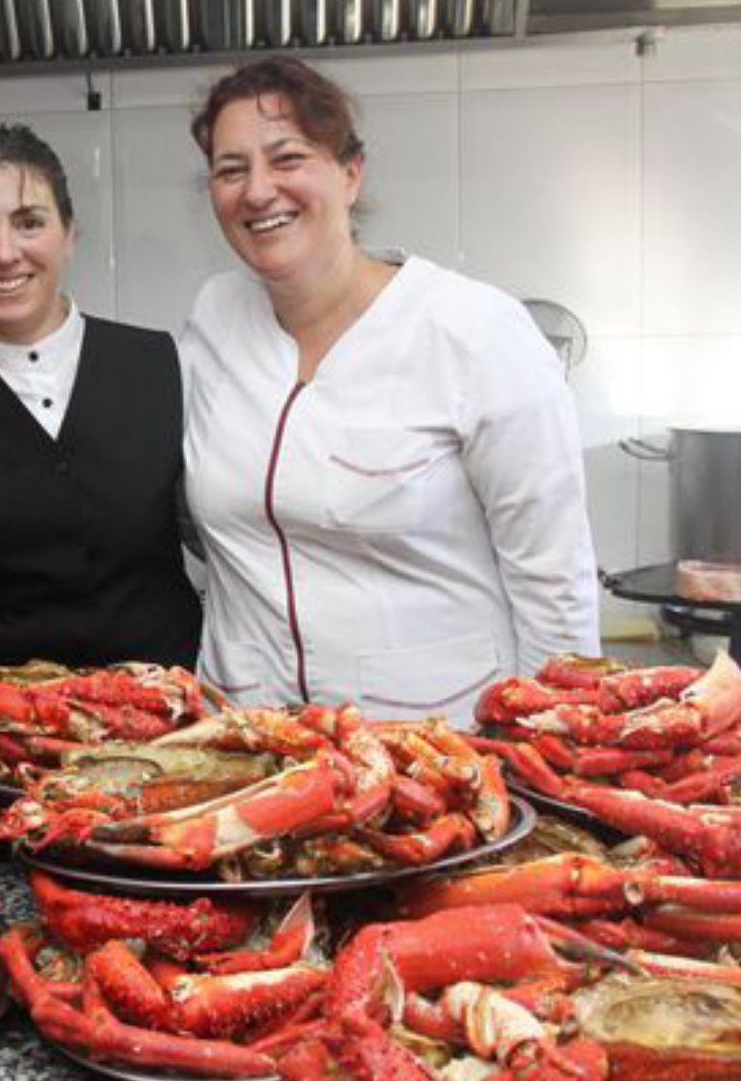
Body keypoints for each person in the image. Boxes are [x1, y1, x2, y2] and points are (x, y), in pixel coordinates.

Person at [179, 57, 598, 725]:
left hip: (437, 755)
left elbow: (553, 581)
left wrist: (553, 754)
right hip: (248, 744)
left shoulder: (474, 331)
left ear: (351, 173)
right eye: (231, 170)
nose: (258, 190)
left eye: (287, 157)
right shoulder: (214, 318)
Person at [0, 124, 202, 720]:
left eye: (30, 221)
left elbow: (221, 542)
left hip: (166, 731)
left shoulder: (164, 364)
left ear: (70, 233)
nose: (4, 252)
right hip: (0, 740)